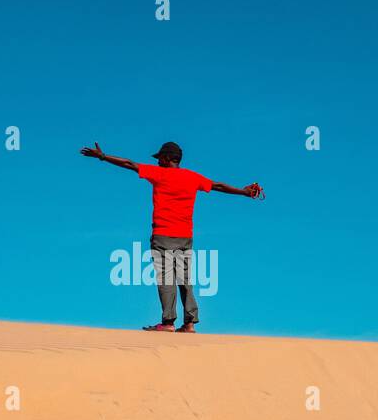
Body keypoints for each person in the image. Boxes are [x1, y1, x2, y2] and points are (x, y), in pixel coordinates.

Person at [81, 140, 262, 332]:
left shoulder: (159, 173)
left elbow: (129, 164)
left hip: (163, 235)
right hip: (185, 237)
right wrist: (243, 192)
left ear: (167, 159)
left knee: (167, 279)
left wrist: (103, 157)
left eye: (160, 158)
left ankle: (168, 323)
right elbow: (218, 186)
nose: (158, 161)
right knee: (185, 279)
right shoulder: (192, 177)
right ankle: (190, 323)